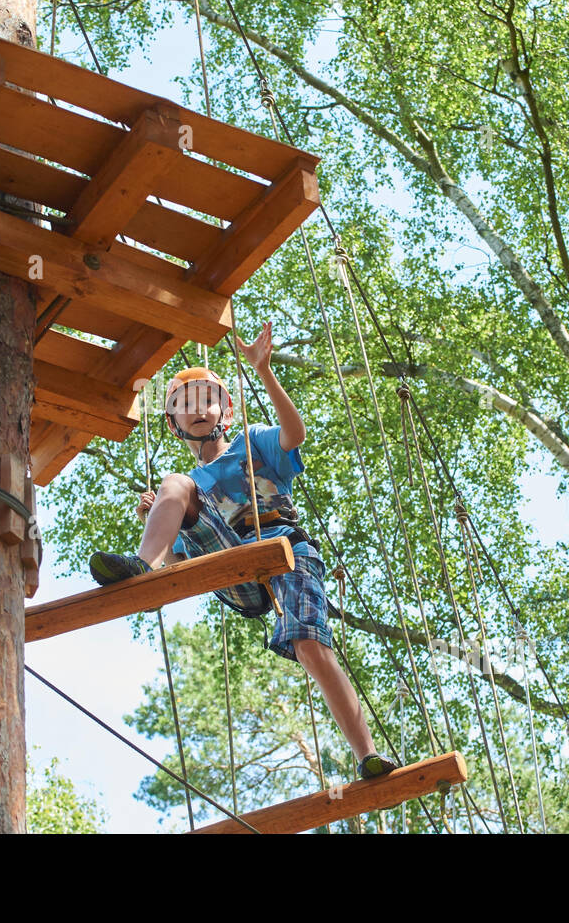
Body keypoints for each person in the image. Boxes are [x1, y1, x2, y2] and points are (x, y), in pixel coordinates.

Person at [89, 321, 398, 781]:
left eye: (205, 400)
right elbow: (183, 568)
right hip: (233, 571)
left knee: (310, 645)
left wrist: (264, 372)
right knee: (173, 485)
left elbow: (296, 434)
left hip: (284, 550)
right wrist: (157, 532)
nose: (196, 410)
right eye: (183, 406)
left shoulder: (252, 443)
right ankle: (140, 563)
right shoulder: (183, 489)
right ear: (173, 424)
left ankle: (366, 756)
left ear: (225, 412)